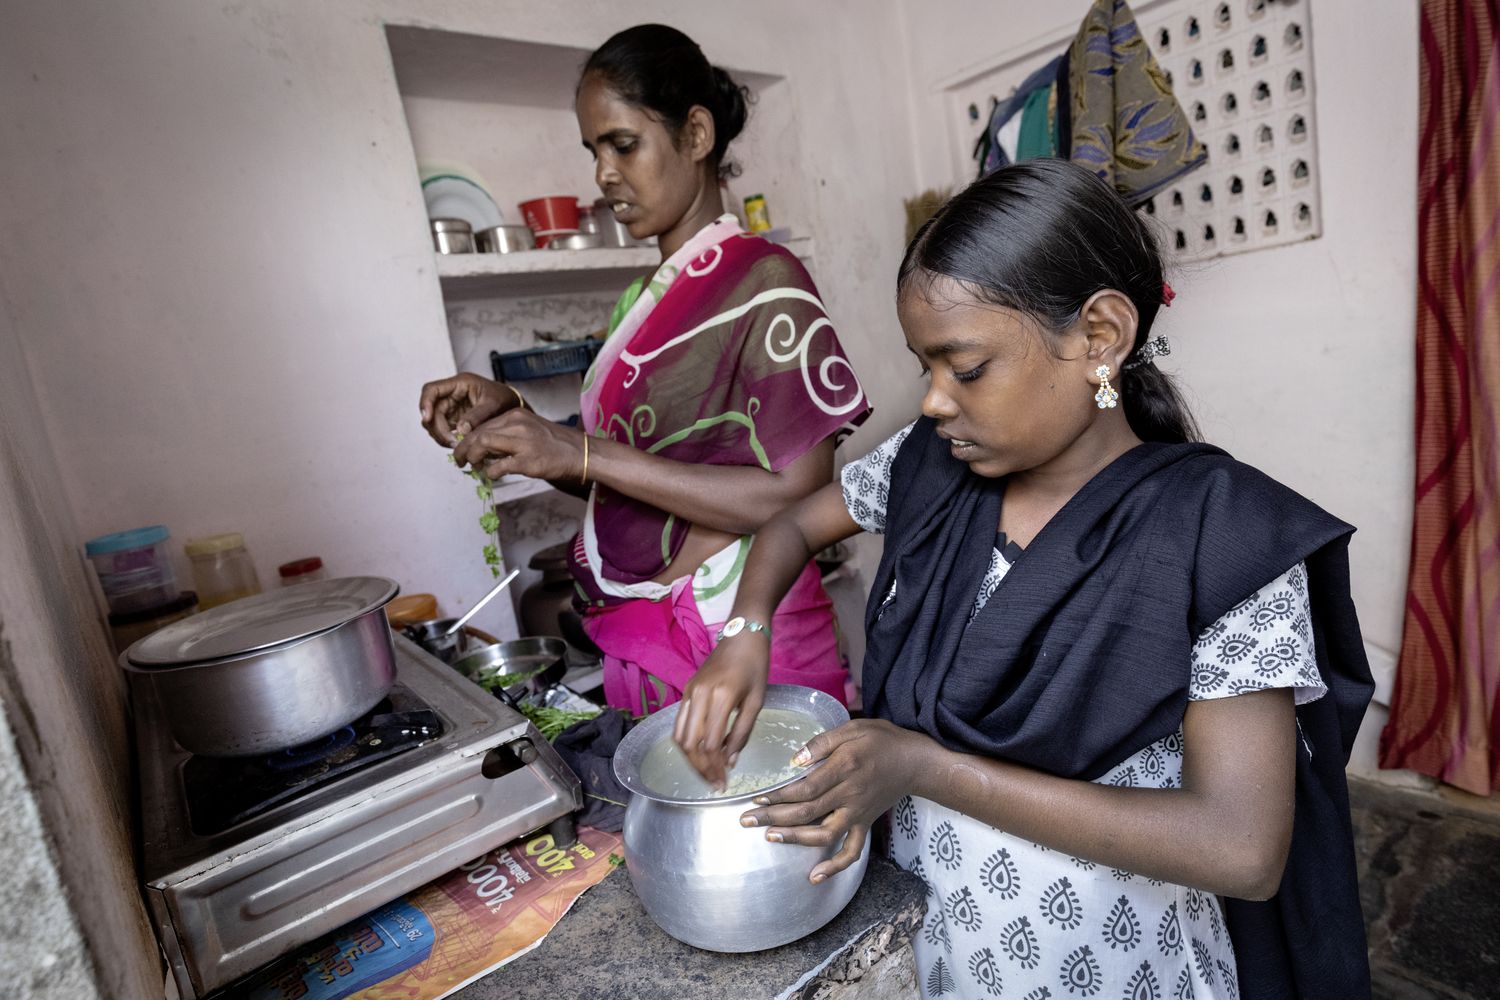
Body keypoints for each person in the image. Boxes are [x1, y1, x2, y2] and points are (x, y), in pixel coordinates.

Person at [674, 159, 1373, 998]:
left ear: (1099, 337)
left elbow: (1241, 848)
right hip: (936, 946)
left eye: (964, 368)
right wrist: (745, 633)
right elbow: (789, 523)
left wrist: (925, 768)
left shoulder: (1221, 537)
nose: (932, 401)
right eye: (922, 366)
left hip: (1119, 966)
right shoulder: (925, 469)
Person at [419, 24, 870, 717]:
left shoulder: (765, 280)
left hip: (745, 642)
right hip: (649, 647)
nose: (602, 174)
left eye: (622, 144)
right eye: (593, 150)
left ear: (695, 135)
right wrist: (519, 421)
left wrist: (580, 450)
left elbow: (799, 496)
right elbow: (634, 476)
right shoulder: (639, 302)